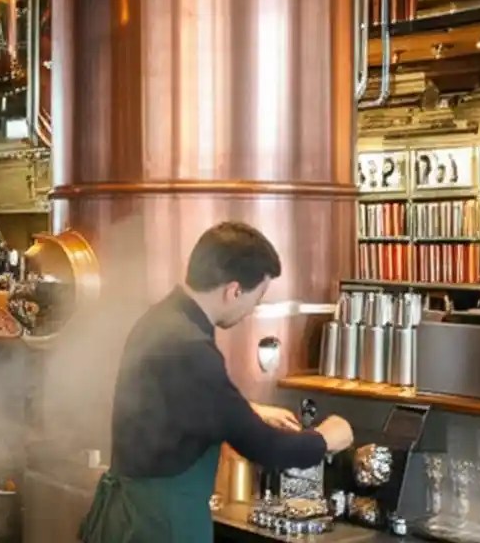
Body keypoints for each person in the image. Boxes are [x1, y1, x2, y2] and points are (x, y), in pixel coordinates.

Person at [79, 222, 355, 542]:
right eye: (257, 297)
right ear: (234, 291)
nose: (253, 310)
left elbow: (166, 396)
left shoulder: (160, 319)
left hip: (127, 514)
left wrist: (245, 408)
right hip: (162, 524)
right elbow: (265, 446)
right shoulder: (191, 347)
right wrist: (325, 438)